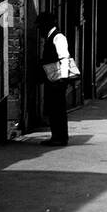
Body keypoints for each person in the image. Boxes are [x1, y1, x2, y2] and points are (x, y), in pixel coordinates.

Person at [35, 12, 72, 147]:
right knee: (53, 109)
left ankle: (60, 138)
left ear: (46, 25)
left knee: (58, 109)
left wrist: (63, 78)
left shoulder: (58, 37)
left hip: (58, 80)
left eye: (40, 26)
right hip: (53, 79)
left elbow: (64, 57)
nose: (39, 30)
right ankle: (56, 136)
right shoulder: (51, 37)